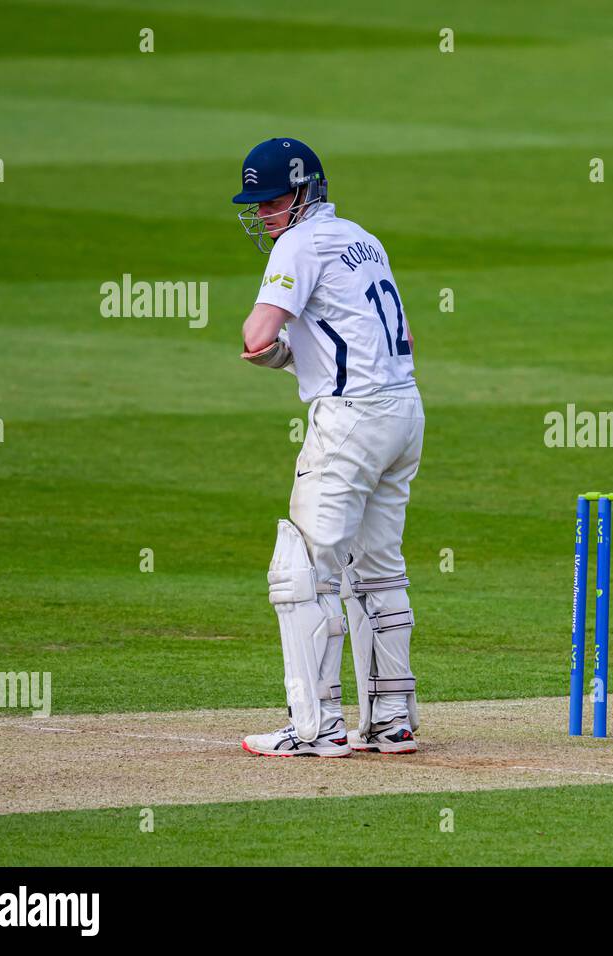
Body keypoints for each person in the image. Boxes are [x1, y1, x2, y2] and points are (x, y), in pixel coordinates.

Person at [232, 137, 424, 757]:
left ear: (305, 191)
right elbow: (399, 338)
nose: (263, 212)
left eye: (272, 199)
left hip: (351, 421)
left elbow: (256, 330)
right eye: (255, 202)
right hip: (403, 410)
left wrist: (275, 347)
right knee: (378, 568)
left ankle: (314, 727)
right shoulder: (363, 237)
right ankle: (391, 721)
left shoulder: (300, 242)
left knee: (302, 571)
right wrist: (295, 358)